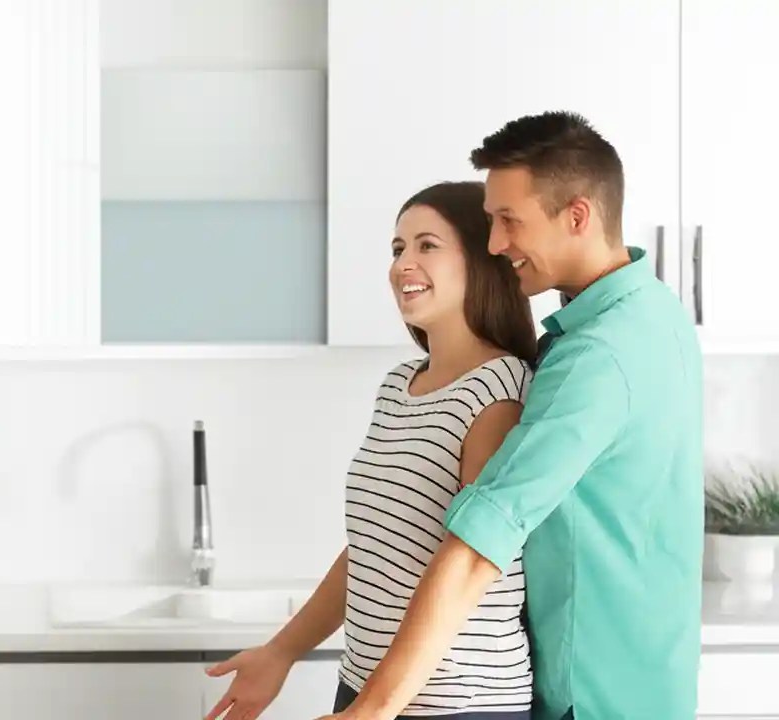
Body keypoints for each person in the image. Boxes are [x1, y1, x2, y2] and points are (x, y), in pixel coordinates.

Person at [326, 112, 703, 720]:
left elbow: (483, 540)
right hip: (639, 679)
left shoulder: (597, 355)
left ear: (577, 215)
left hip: (593, 692)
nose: (496, 244)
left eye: (509, 221)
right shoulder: (652, 312)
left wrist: (373, 707)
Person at [205, 180, 540, 720]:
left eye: (427, 245)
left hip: (456, 703)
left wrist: (375, 708)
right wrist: (281, 652)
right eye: (398, 248)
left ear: (483, 260)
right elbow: (372, 550)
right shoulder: (399, 386)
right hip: (368, 689)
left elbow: (475, 566)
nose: (403, 263)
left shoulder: (499, 394)